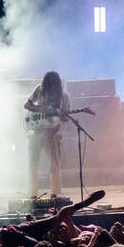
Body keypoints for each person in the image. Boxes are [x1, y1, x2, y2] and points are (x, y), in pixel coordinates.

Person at [23, 70, 71, 200]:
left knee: (55, 164)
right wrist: (42, 109)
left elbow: (66, 118)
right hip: (36, 131)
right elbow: (27, 104)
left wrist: (61, 114)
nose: (50, 86)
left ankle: (54, 194)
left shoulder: (64, 96)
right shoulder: (39, 90)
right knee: (32, 163)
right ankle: (32, 194)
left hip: (52, 133)